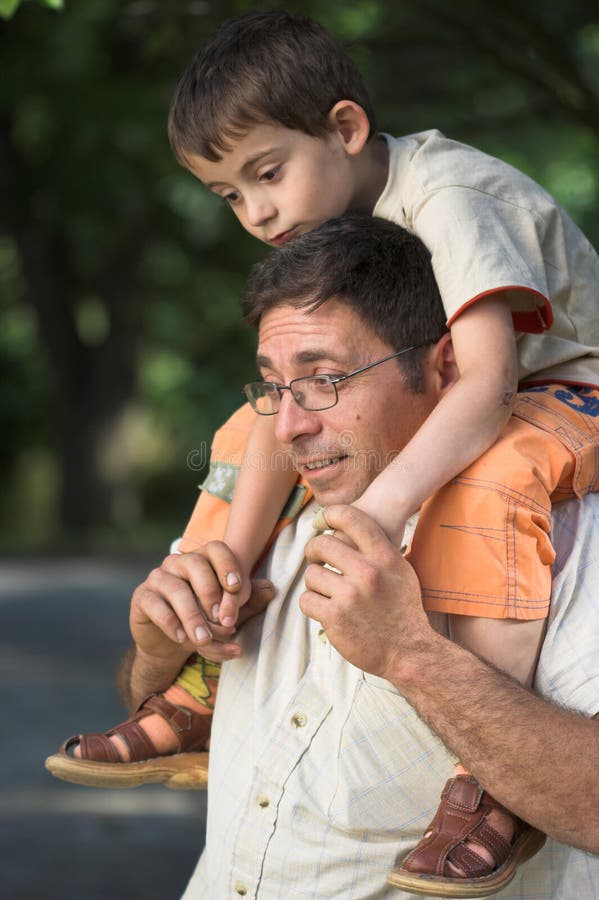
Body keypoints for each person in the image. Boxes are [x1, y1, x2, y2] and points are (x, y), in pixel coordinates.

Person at [45, 8, 599, 894]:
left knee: (493, 477)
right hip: (473, 395)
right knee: (245, 426)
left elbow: (488, 386)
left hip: (564, 393)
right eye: (229, 195)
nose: (256, 213)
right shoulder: (341, 234)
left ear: (344, 130)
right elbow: (289, 409)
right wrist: (189, 600)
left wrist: (375, 515)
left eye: (266, 176)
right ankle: (197, 678)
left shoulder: (449, 195)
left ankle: (488, 786)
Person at [124, 218, 599, 898]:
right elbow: (151, 696)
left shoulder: (564, 535)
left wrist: (410, 656)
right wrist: (154, 650)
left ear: (446, 369)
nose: (289, 425)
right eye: (274, 389)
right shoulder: (265, 519)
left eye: (323, 379)